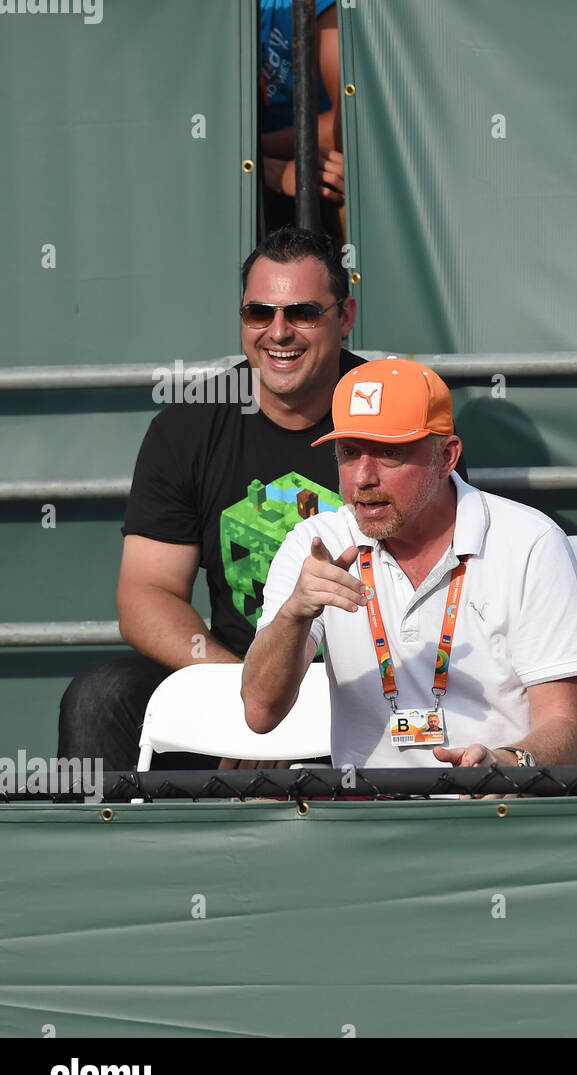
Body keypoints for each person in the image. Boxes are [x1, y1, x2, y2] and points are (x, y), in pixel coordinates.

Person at [58, 227, 365, 770]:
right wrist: (246, 697)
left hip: (366, 676)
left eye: (302, 313)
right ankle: (116, 858)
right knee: (98, 699)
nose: (278, 332)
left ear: (344, 317)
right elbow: (145, 595)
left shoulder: (393, 415)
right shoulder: (188, 428)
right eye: (258, 313)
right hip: (232, 670)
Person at [243, 359, 577, 770]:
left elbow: (565, 731)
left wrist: (505, 765)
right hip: (367, 818)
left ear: (446, 457)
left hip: (495, 813)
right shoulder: (316, 543)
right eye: (349, 453)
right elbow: (260, 713)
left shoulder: (530, 542)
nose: (363, 477)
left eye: (389, 453)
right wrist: (294, 613)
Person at [259, 0, 345, 234]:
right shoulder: (208, 18)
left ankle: (358, 270)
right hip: (265, 171)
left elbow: (345, 125)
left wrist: (251, 150)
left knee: (341, 173)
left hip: (320, 161)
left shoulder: (314, 6)